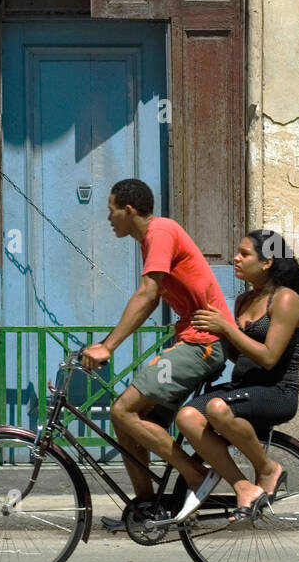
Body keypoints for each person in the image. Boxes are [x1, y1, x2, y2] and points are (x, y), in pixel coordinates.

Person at [80, 178, 229, 507]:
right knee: (130, 424)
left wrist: (107, 347)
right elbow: (149, 298)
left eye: (112, 211)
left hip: (203, 342)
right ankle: (147, 508)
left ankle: (197, 476)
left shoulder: (159, 232)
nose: (109, 218)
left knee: (122, 410)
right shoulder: (151, 239)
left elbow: (148, 296)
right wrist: (107, 343)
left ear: (129, 210)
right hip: (193, 341)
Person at [173, 229, 299, 523]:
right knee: (186, 417)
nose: (236, 259)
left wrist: (227, 329)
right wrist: (210, 332)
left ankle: (267, 468)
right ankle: (242, 486)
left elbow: (267, 358)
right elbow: (238, 356)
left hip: (276, 390)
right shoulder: (243, 301)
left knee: (217, 408)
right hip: (243, 388)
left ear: (267, 262)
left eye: (245, 254)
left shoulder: (285, 299)